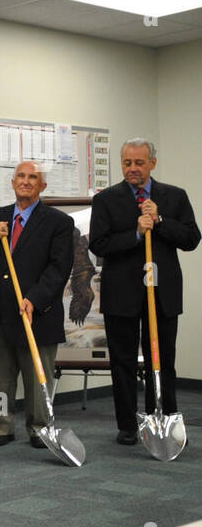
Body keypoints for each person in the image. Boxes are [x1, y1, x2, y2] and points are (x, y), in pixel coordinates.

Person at [89, 139, 199, 445]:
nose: (132, 169)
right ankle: (127, 425)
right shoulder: (106, 200)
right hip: (121, 294)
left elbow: (192, 238)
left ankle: (160, 418)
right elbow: (98, 245)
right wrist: (137, 232)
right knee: (122, 361)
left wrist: (160, 221)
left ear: (152, 162)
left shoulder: (174, 197)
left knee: (162, 359)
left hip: (162, 293)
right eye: (127, 163)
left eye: (139, 162)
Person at [0, 161, 74, 447]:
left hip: (36, 313)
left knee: (38, 379)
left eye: (33, 177)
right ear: (13, 183)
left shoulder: (58, 222)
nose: (25, 181)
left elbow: (59, 268)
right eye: (21, 176)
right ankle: (1, 427)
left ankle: (40, 428)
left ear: (43, 186)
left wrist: (34, 298)